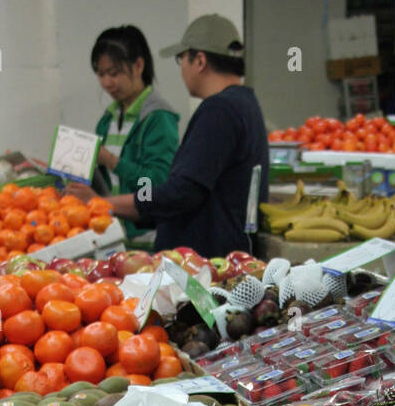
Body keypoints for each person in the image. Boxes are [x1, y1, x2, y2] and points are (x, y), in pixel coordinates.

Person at [75, 15, 269, 259]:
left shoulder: (217, 110)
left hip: (204, 260)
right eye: (101, 74)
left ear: (199, 60)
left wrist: (105, 202)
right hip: (219, 254)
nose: (107, 82)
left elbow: (179, 191)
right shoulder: (244, 103)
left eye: (181, 60)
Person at [88, 26, 179, 242]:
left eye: (114, 73)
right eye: (101, 74)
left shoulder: (157, 118)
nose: (107, 83)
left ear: (138, 66)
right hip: (113, 235)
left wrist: (111, 161)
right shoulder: (108, 119)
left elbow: (153, 183)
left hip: (146, 237)